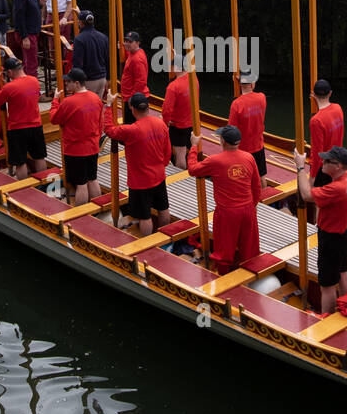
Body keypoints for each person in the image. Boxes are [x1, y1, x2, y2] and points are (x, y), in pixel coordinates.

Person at [293, 145, 347, 314]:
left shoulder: (336, 189)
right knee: (343, 272)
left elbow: (307, 195)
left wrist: (300, 167)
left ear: (337, 166)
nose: (322, 162)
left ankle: (326, 318)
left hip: (331, 238)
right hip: (346, 232)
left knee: (327, 285)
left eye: (327, 161)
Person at [188, 126, 261, 273]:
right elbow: (257, 187)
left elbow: (193, 169)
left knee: (223, 251)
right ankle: (249, 279)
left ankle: (223, 280)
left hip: (227, 212)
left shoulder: (215, 161)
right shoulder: (249, 157)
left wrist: (194, 146)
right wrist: (251, 205)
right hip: (248, 209)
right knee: (249, 250)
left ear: (223, 141)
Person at [103, 91, 171, 235]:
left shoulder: (132, 130)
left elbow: (109, 130)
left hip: (141, 180)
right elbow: (167, 151)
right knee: (163, 209)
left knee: (144, 215)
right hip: (159, 175)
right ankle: (165, 237)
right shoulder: (161, 124)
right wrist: (162, 165)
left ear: (132, 109)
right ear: (148, 107)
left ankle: (146, 245)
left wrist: (108, 105)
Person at [50, 68, 103, 206]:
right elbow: (100, 123)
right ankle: (99, 208)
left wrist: (55, 100)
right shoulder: (96, 98)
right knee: (92, 178)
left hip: (75, 149)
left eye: (69, 82)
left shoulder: (69, 102)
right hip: (92, 146)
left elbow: (54, 118)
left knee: (81, 183)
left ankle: (81, 214)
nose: (66, 84)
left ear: (77, 83)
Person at [0, 56, 47, 179]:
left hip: (17, 128)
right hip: (36, 125)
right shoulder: (35, 81)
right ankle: (45, 183)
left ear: (9, 72)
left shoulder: (9, 87)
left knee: (20, 162)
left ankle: (24, 189)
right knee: (39, 157)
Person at [306, 79, 344, 225]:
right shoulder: (338, 109)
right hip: (339, 162)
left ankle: (319, 228)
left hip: (325, 166)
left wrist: (313, 176)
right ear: (330, 93)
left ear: (313, 95)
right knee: (334, 198)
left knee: (320, 202)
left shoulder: (316, 120)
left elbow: (317, 152)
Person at [228, 72, 267, 179]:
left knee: (245, 178)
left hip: (243, 150)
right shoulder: (262, 98)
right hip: (258, 145)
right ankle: (263, 195)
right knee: (261, 176)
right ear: (252, 84)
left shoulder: (236, 104)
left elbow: (231, 131)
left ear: (240, 84)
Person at [161, 58, 196, 168]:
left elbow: (166, 110)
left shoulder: (173, 87)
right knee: (189, 150)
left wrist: (164, 124)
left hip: (178, 125)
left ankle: (182, 178)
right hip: (192, 123)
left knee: (180, 155)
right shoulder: (194, 79)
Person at [12, 0, 43, 79]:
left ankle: (28, 87)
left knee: (30, 62)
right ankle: (33, 92)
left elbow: (31, 10)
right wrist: (24, 37)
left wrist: (40, 4)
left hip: (31, 32)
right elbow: (18, 16)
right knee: (31, 63)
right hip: (28, 33)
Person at [71, 11, 109, 98]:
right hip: (102, 78)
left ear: (80, 22)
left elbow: (78, 63)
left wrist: (75, 81)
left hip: (88, 81)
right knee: (97, 107)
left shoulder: (79, 39)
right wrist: (108, 78)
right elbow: (108, 60)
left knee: (86, 108)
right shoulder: (103, 37)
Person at [120, 31, 149, 124]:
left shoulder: (137, 59)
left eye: (130, 42)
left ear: (137, 43)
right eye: (126, 41)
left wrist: (132, 99)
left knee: (131, 125)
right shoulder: (135, 52)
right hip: (130, 96)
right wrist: (123, 49)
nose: (127, 43)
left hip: (133, 98)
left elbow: (141, 81)